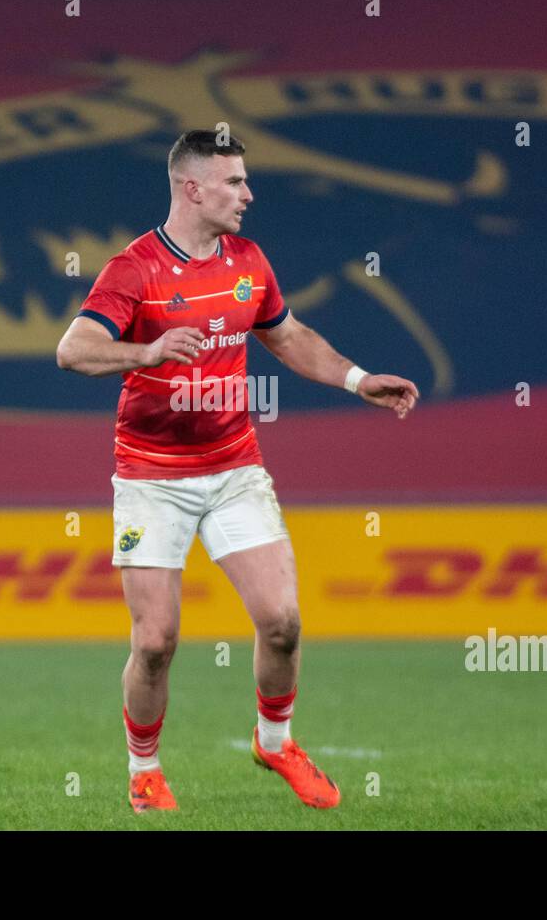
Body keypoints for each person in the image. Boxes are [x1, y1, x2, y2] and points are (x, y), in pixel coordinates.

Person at [55, 130, 419, 812]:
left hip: (233, 469)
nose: (248, 194)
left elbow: (287, 335)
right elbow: (73, 350)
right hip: (151, 477)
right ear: (192, 189)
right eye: (234, 182)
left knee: (282, 621)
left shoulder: (248, 261)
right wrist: (148, 351)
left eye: (245, 180)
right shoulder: (134, 269)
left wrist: (357, 378)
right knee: (155, 641)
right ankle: (144, 769)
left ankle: (275, 741)